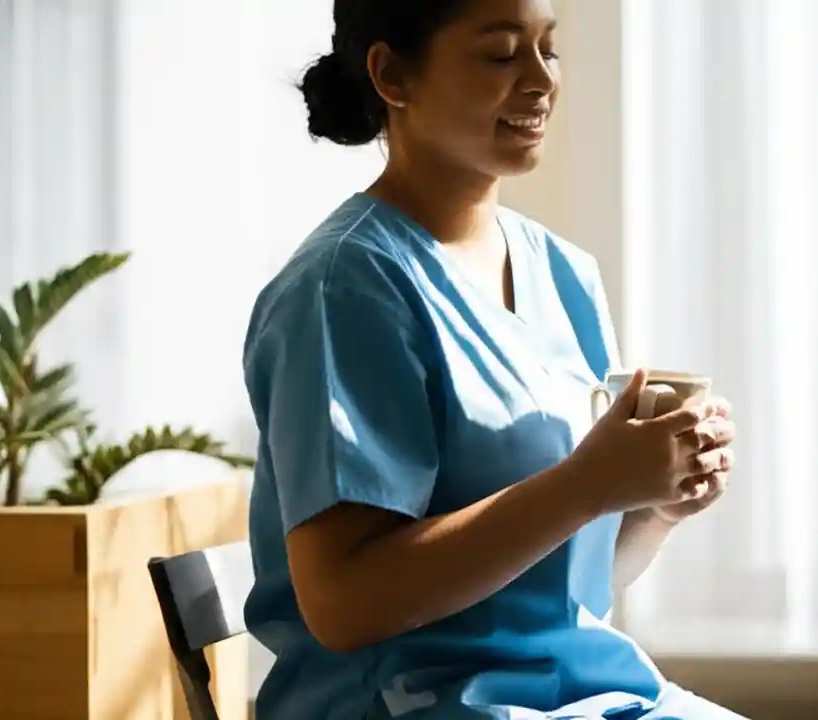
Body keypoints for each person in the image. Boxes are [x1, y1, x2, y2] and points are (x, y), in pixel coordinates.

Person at [241, 1, 743, 717]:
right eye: (503, 54)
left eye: (549, 49)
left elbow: (563, 594)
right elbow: (344, 605)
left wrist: (655, 506)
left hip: (580, 697)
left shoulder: (563, 274)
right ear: (391, 75)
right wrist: (587, 485)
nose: (542, 81)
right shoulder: (344, 289)